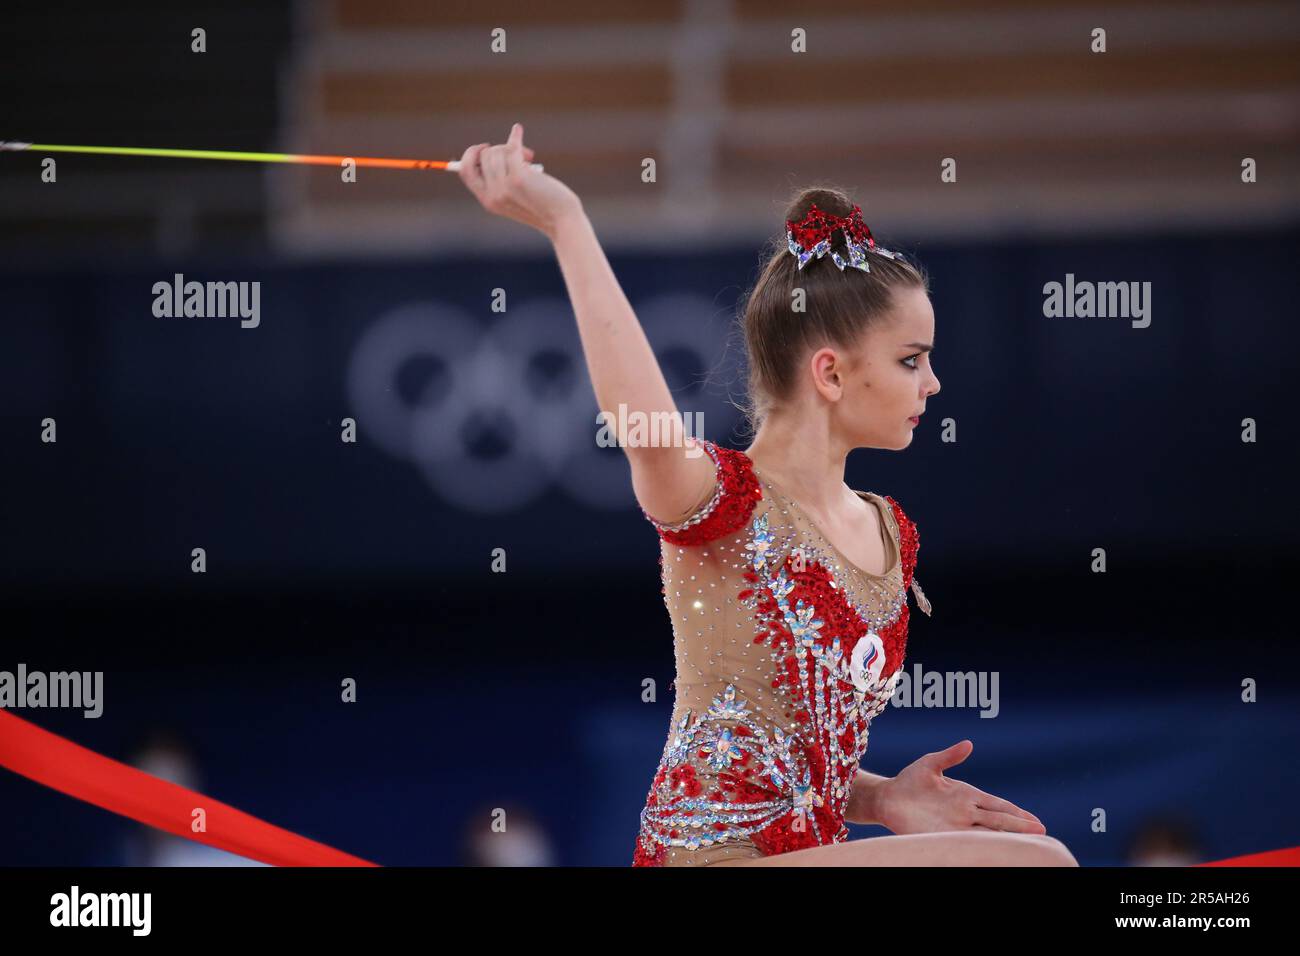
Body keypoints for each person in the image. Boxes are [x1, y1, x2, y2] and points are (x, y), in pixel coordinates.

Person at [457, 124, 1077, 867]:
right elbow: (645, 425)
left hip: (802, 853)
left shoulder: (889, 532)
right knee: (1040, 866)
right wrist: (566, 223)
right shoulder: (724, 501)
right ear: (831, 373)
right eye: (912, 360)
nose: (933, 384)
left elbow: (787, 747)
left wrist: (879, 799)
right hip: (710, 855)